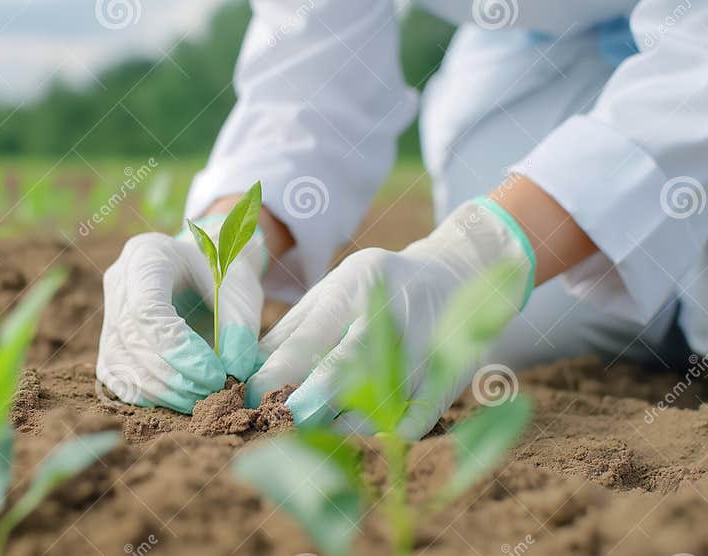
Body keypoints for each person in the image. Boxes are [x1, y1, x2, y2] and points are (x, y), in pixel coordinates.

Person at [97, 0, 707, 438]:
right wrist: (225, 238)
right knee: (521, 328)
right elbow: (314, 76)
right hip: (539, 38)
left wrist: (480, 254)